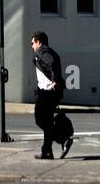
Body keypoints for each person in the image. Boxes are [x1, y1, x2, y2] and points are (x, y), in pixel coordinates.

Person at [30, 31, 73, 159]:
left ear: (39, 42)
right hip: (50, 91)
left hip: (48, 92)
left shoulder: (42, 51)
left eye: (32, 43)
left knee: (40, 119)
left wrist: (55, 81)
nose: (32, 46)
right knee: (47, 121)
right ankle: (47, 151)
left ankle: (63, 139)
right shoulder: (48, 51)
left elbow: (52, 62)